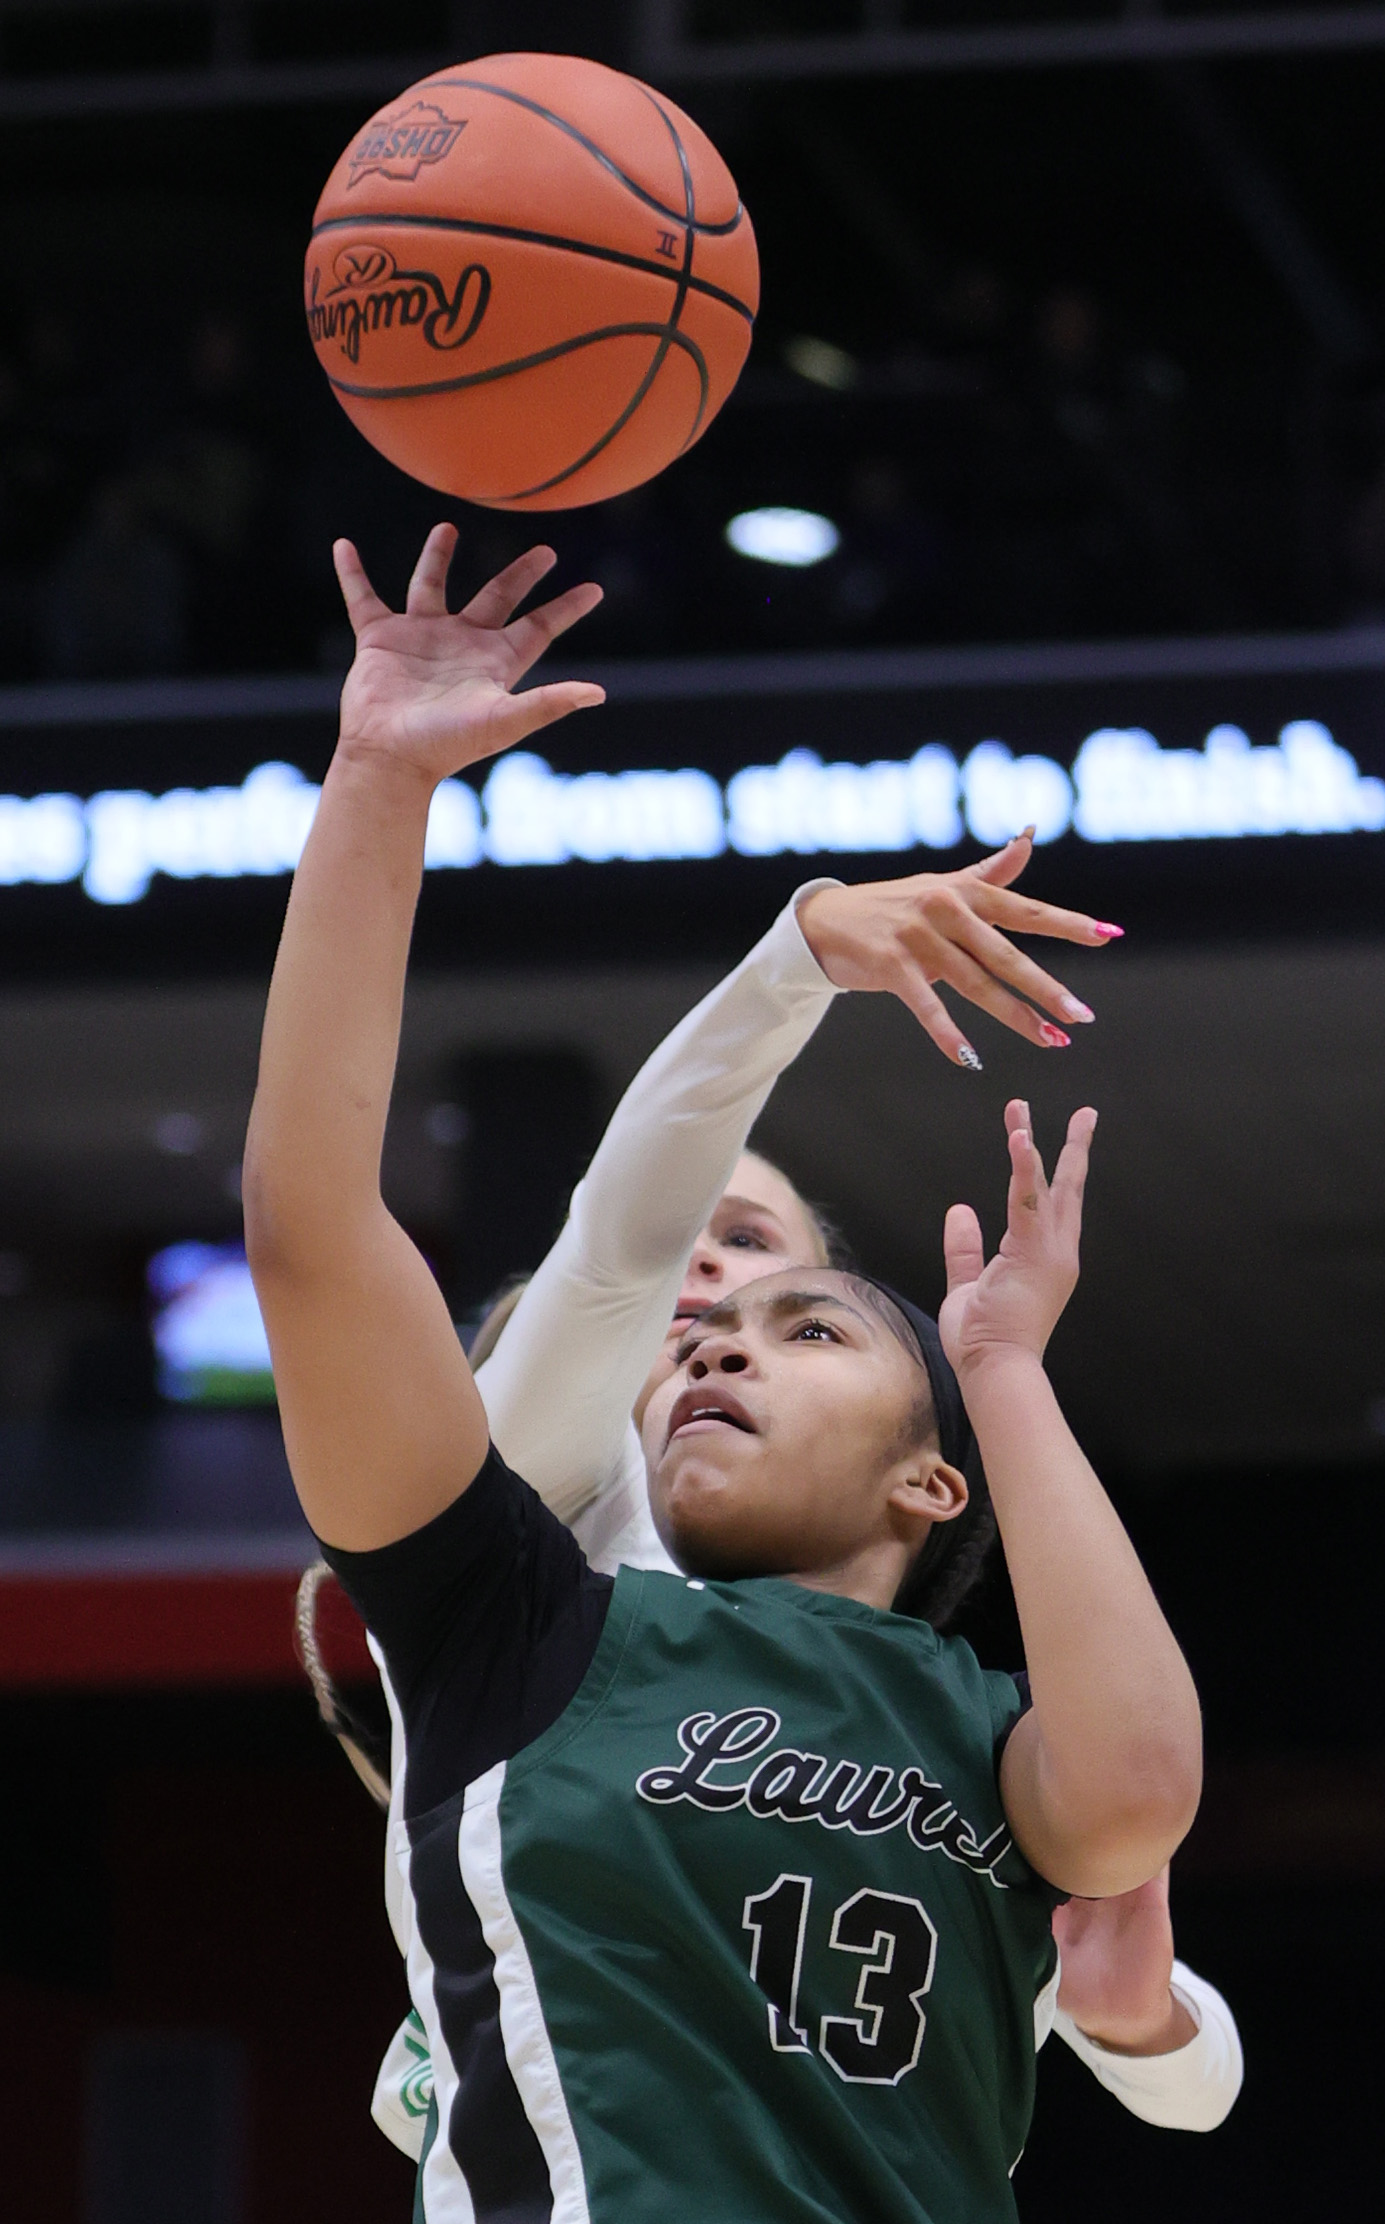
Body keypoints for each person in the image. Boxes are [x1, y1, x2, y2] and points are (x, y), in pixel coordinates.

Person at [245, 529, 1212, 2219]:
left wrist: (1005, 1370)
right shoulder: (511, 1607)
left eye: (796, 1304)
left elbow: (1137, 1821)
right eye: (693, 1320)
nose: (710, 1321)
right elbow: (324, 1227)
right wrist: (377, 780)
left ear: (933, 1469)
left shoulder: (979, 1728)